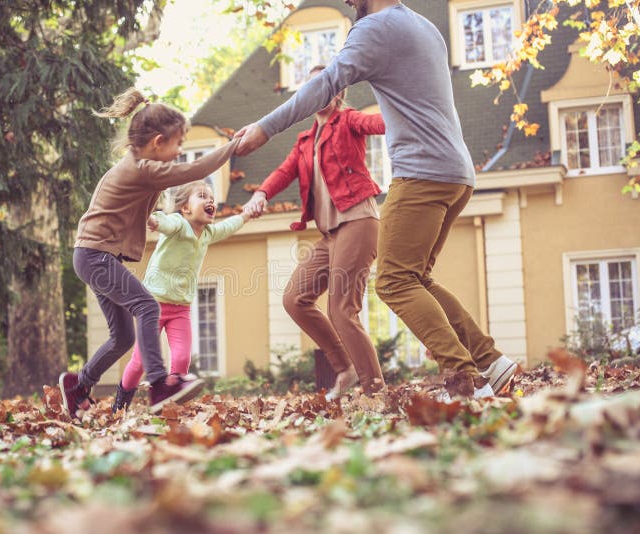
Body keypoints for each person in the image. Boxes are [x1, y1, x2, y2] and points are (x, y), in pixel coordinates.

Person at [236, 0, 518, 398]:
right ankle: (489, 360)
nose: (349, 2)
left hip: (421, 172)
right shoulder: (425, 27)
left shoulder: (373, 29)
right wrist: (263, 191)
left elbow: (326, 83)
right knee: (415, 278)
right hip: (457, 172)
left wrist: (266, 127)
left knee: (395, 281)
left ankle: (464, 379)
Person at [60, 88, 239, 418]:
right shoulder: (143, 169)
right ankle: (159, 384)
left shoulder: (138, 167)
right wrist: (236, 145)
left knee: (124, 337)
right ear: (158, 142)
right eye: (178, 144)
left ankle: (78, 385)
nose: (180, 152)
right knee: (146, 305)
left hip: (94, 257)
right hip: (94, 255)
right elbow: (195, 171)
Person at [243, 65, 386, 400]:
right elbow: (284, 171)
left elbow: (376, 123)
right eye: (311, 86)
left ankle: (376, 392)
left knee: (342, 310)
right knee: (295, 299)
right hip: (330, 233)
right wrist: (261, 193)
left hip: (358, 220)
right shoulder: (305, 139)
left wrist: (402, 108)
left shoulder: (349, 119)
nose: (317, 91)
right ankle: (345, 368)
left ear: (337, 91)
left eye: (324, 86)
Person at [112, 181, 251, 412]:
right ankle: (120, 404)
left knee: (182, 358)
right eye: (202, 196)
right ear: (185, 208)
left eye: (212, 197)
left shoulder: (207, 233)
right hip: (153, 304)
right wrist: (152, 220)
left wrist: (245, 216)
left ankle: (169, 402)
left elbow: (227, 227)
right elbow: (163, 222)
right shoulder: (178, 224)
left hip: (181, 308)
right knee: (139, 362)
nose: (210, 201)